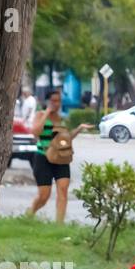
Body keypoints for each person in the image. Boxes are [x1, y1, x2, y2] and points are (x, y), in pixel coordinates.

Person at [27, 89, 94, 222]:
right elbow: (35, 132)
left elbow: (67, 138)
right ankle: (29, 215)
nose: (56, 104)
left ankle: (59, 224)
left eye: (58, 101)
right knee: (44, 196)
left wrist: (79, 128)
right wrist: (46, 112)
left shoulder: (62, 118)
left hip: (62, 158)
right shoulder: (40, 115)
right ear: (47, 101)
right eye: (53, 101)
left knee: (63, 191)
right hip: (43, 157)